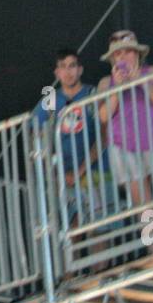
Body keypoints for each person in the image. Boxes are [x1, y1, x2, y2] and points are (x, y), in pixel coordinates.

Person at [96, 31, 153, 210]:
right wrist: (117, 88)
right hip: (123, 146)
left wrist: (140, 80)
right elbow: (103, 116)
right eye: (118, 53)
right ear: (113, 59)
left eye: (128, 51)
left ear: (137, 54)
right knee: (144, 208)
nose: (123, 57)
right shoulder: (105, 83)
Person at [31, 48, 103, 225]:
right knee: (70, 226)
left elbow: (106, 133)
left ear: (80, 69)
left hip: (96, 169)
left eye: (72, 66)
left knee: (99, 226)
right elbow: (35, 134)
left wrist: (80, 170)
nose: (68, 71)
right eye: (63, 67)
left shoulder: (93, 94)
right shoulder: (50, 101)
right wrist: (54, 170)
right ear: (57, 72)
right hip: (63, 175)